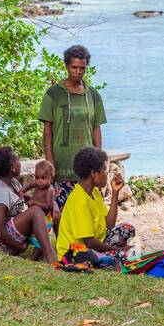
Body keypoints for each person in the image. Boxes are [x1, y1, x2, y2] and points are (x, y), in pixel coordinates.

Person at [38, 44, 107, 210]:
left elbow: (96, 127)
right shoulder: (53, 93)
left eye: (82, 68)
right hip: (62, 161)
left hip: (87, 163)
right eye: (74, 67)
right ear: (66, 66)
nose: (78, 71)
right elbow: (48, 128)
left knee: (85, 209)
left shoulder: (93, 95)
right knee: (61, 210)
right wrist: (49, 158)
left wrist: (100, 159)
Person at [55, 146, 135, 267]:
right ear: (93, 173)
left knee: (128, 228)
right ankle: (111, 256)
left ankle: (111, 254)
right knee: (124, 256)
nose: (106, 173)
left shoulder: (94, 192)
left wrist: (115, 193)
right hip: (76, 252)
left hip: (95, 243)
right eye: (104, 170)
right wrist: (117, 250)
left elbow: (110, 224)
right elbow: (90, 242)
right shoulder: (79, 201)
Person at [0, 147, 58, 264]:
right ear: (12, 167)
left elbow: (35, 200)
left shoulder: (13, 183)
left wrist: (54, 206)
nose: (20, 163)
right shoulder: (1, 192)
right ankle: (49, 253)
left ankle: (60, 249)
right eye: (18, 160)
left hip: (6, 234)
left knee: (49, 212)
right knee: (35, 211)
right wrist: (19, 247)